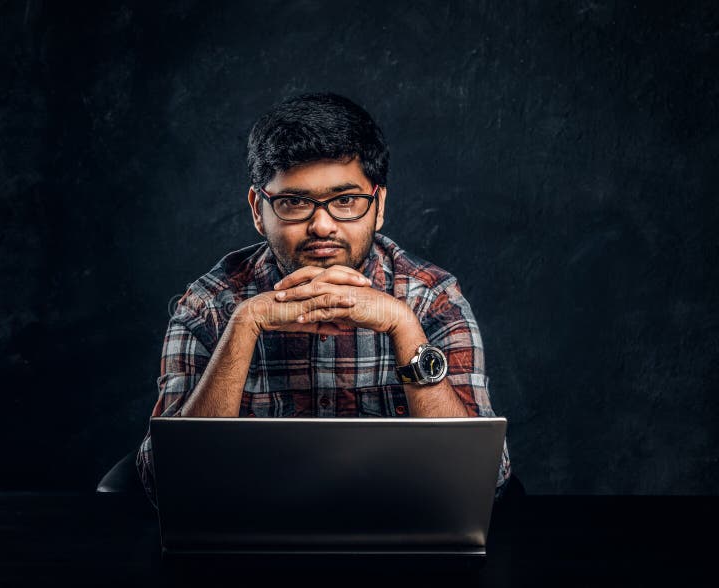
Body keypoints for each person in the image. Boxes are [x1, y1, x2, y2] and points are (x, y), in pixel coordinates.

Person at [136, 92, 511, 504]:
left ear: (378, 204)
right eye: (294, 202)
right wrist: (243, 327)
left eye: (345, 200)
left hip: (395, 539)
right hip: (251, 544)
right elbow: (166, 486)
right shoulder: (207, 305)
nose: (322, 225)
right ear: (258, 209)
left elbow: (484, 479)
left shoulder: (432, 299)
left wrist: (405, 328)